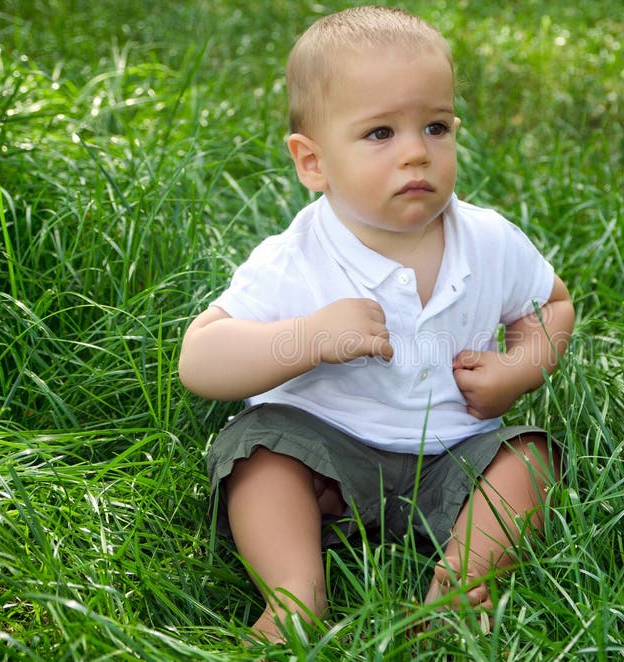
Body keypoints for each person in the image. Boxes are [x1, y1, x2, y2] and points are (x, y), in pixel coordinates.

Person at [178, 5, 574, 643]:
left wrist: (519, 368)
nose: (416, 152)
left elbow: (552, 306)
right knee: (259, 451)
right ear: (313, 162)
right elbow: (200, 360)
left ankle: (458, 587)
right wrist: (308, 338)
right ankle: (295, 598)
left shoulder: (488, 240)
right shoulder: (296, 259)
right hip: (324, 457)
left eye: (435, 127)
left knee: (530, 460)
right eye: (380, 133)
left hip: (453, 453)